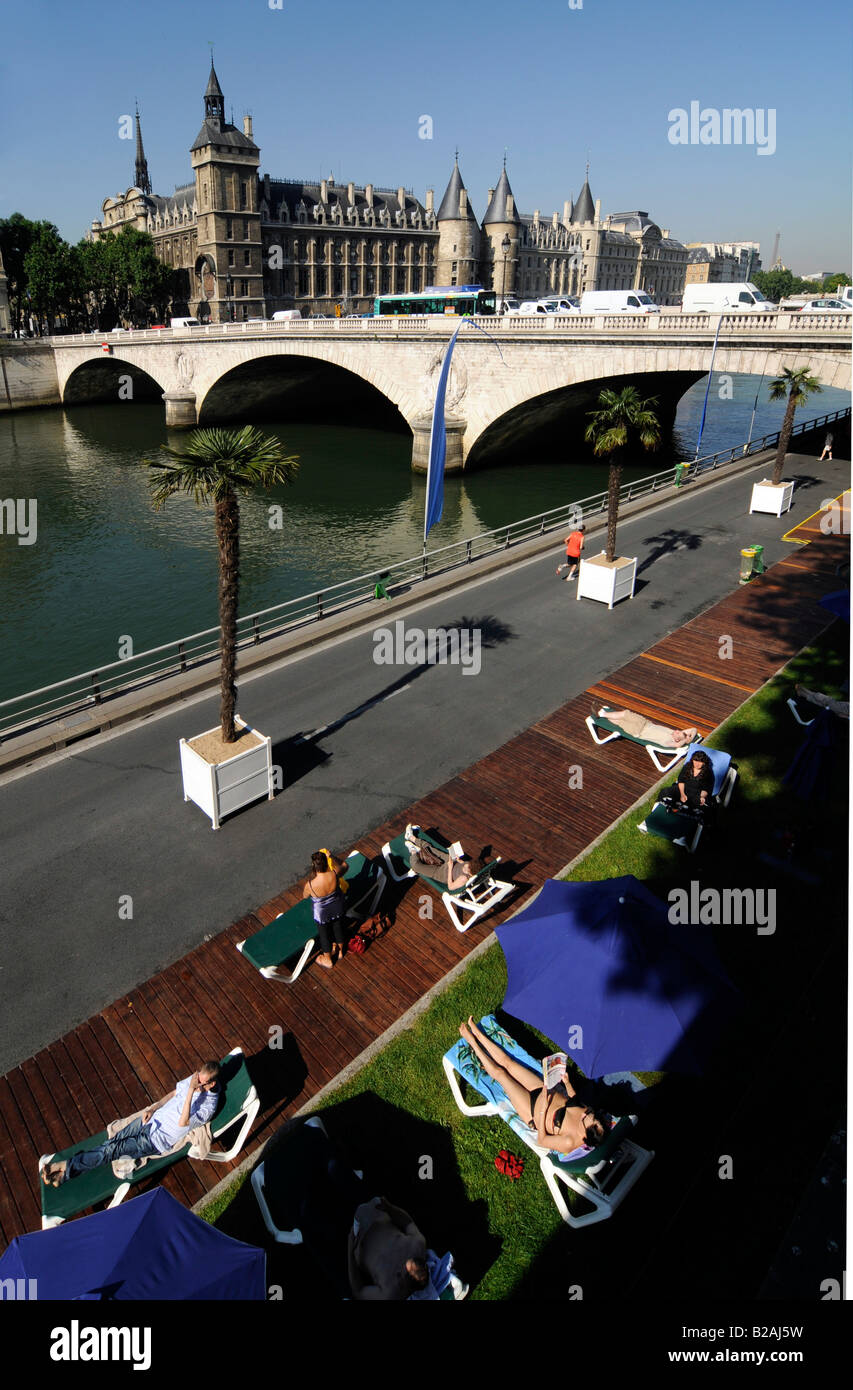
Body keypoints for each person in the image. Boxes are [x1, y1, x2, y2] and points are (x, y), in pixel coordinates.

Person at [41, 1062, 221, 1186]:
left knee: (110, 1151)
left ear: (211, 1084)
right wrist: (154, 1108)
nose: (196, 1082)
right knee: (112, 1142)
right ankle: (62, 1176)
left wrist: (191, 1091)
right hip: (150, 1121)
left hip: (156, 1140)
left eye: (201, 1083)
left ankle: (64, 1167)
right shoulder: (195, 1079)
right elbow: (174, 1093)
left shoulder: (208, 1107)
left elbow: (183, 1123)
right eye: (197, 1077)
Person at [458, 1017, 610, 1157]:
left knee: (501, 1074)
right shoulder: (587, 1113)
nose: (591, 1116)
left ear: (586, 1134)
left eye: (593, 1121)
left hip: (532, 1110)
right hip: (544, 1090)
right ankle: (478, 1034)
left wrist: (543, 1108)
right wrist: (567, 1082)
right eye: (595, 1118)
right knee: (509, 1063)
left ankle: (471, 1041)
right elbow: (574, 1099)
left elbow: (542, 1140)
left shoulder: (569, 1142)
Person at [347, 1195, 429, 1300]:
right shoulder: (417, 1246)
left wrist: (349, 1249)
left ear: (404, 1285)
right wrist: (389, 1208)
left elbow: (358, 1291)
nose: (400, 1264)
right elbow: (407, 1222)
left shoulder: (388, 1293)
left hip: (356, 1237)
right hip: (374, 1211)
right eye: (406, 1262)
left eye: (400, 1273)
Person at [303, 849, 350, 969]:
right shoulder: (334, 874)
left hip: (322, 913)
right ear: (326, 862)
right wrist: (332, 856)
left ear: (313, 866)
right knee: (337, 927)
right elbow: (345, 865)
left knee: (324, 935)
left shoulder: (310, 884)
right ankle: (340, 951)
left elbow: (304, 896)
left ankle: (327, 959)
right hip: (337, 906)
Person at [404, 825, 479, 892]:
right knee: (431, 849)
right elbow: (463, 863)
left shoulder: (464, 878)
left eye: (466, 868)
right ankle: (411, 837)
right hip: (450, 861)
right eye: (466, 865)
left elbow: (450, 887)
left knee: (416, 866)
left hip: (442, 873)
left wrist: (450, 868)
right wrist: (458, 859)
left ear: (470, 872)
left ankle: (413, 850)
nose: (465, 866)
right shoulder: (469, 865)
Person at [661, 748, 715, 816]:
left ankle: (687, 814)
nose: (697, 764)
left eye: (700, 762)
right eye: (695, 760)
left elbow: (706, 788)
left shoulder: (708, 772)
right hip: (683, 789)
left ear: (704, 763)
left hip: (696, 793)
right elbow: (681, 781)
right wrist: (682, 794)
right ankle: (664, 810)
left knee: (701, 806)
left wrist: (702, 797)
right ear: (692, 760)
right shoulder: (687, 766)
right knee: (665, 791)